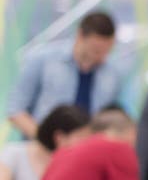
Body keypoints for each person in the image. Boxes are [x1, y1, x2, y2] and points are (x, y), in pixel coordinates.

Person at [7, 11, 122, 139]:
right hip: (42, 150)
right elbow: (15, 109)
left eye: (106, 51)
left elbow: (110, 118)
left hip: (86, 151)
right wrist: (44, 140)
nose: (101, 56)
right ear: (80, 35)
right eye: (96, 50)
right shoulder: (43, 59)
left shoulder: (112, 73)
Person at [0, 105, 91, 180]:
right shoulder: (13, 153)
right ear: (59, 137)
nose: (87, 144)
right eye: (81, 137)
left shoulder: (76, 165)